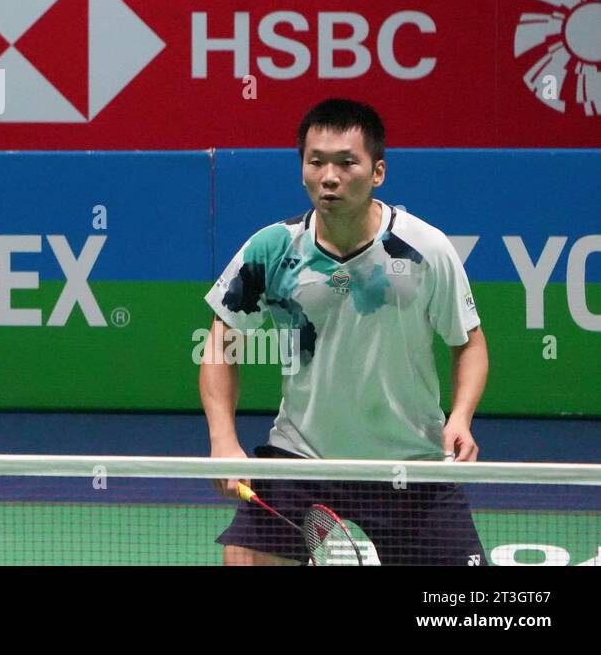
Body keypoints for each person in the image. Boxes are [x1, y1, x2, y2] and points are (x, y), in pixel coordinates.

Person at [200, 99, 489, 565]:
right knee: (244, 558)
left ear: (378, 172)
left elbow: (469, 343)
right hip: (303, 456)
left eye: (346, 162)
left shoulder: (424, 247)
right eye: (316, 162)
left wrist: (460, 417)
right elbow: (221, 341)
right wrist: (222, 440)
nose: (329, 176)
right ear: (302, 169)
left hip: (410, 462)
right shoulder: (272, 248)